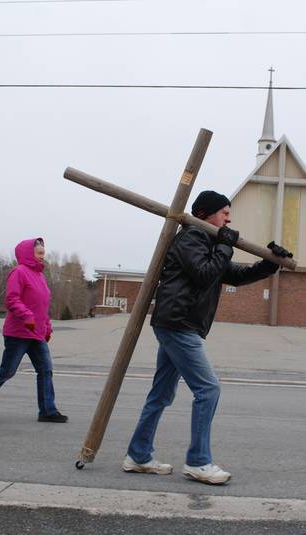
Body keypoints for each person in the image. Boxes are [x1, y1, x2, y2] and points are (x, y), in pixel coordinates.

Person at [122, 190, 292, 485]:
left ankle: (138, 456)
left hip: (179, 323)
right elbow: (204, 273)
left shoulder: (208, 242)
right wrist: (225, 245)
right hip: (178, 323)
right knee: (208, 389)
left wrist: (269, 263)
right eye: (224, 212)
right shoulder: (191, 238)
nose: (229, 217)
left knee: (161, 394)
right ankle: (198, 461)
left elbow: (234, 275)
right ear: (204, 214)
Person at [0, 237, 67, 423]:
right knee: (7, 371)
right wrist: (27, 316)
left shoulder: (40, 275)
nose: (42, 257)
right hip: (18, 333)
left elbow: (42, 305)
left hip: (36, 334)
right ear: (28, 253)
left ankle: (47, 410)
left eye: (43, 253)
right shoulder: (19, 272)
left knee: (46, 370)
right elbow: (12, 300)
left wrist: (46, 325)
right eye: (39, 253)